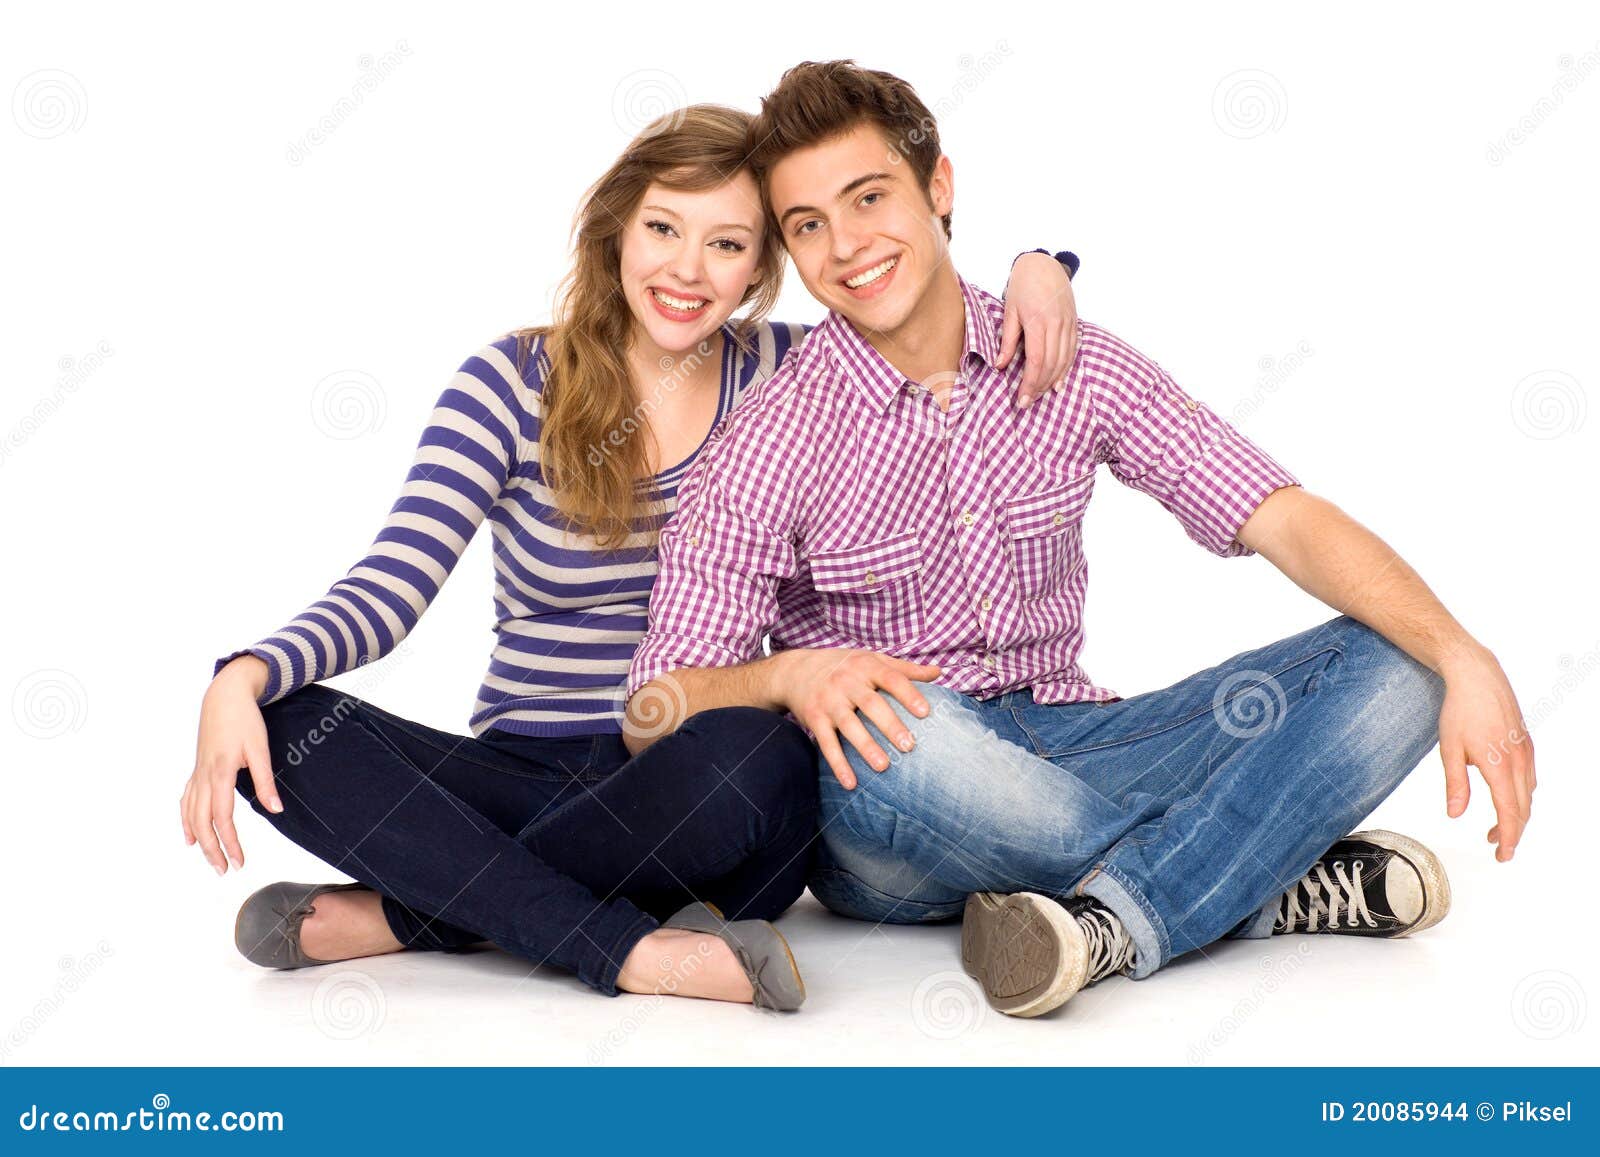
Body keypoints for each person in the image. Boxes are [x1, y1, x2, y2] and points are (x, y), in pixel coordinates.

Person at [624, 62, 1538, 1018]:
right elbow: (654, 704)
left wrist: (1464, 652)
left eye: (869, 197)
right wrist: (792, 675)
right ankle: (1252, 878)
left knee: (1407, 656)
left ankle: (1119, 913)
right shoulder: (772, 437)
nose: (847, 245)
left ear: (939, 186)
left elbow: (1283, 516)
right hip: (900, 798)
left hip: (1085, 740)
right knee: (904, 736)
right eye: (808, 225)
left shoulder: (1070, 358)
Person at [180, 102, 1087, 1010]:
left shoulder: (792, 374)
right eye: (663, 228)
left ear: (762, 265)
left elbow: (926, 312)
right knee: (285, 727)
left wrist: (1041, 267)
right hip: (519, 775)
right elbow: (391, 585)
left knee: (767, 755)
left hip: (706, 787)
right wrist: (245, 674)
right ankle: (630, 949)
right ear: (617, 226)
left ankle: (413, 912)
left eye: (726, 244)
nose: (687, 270)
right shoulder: (506, 384)